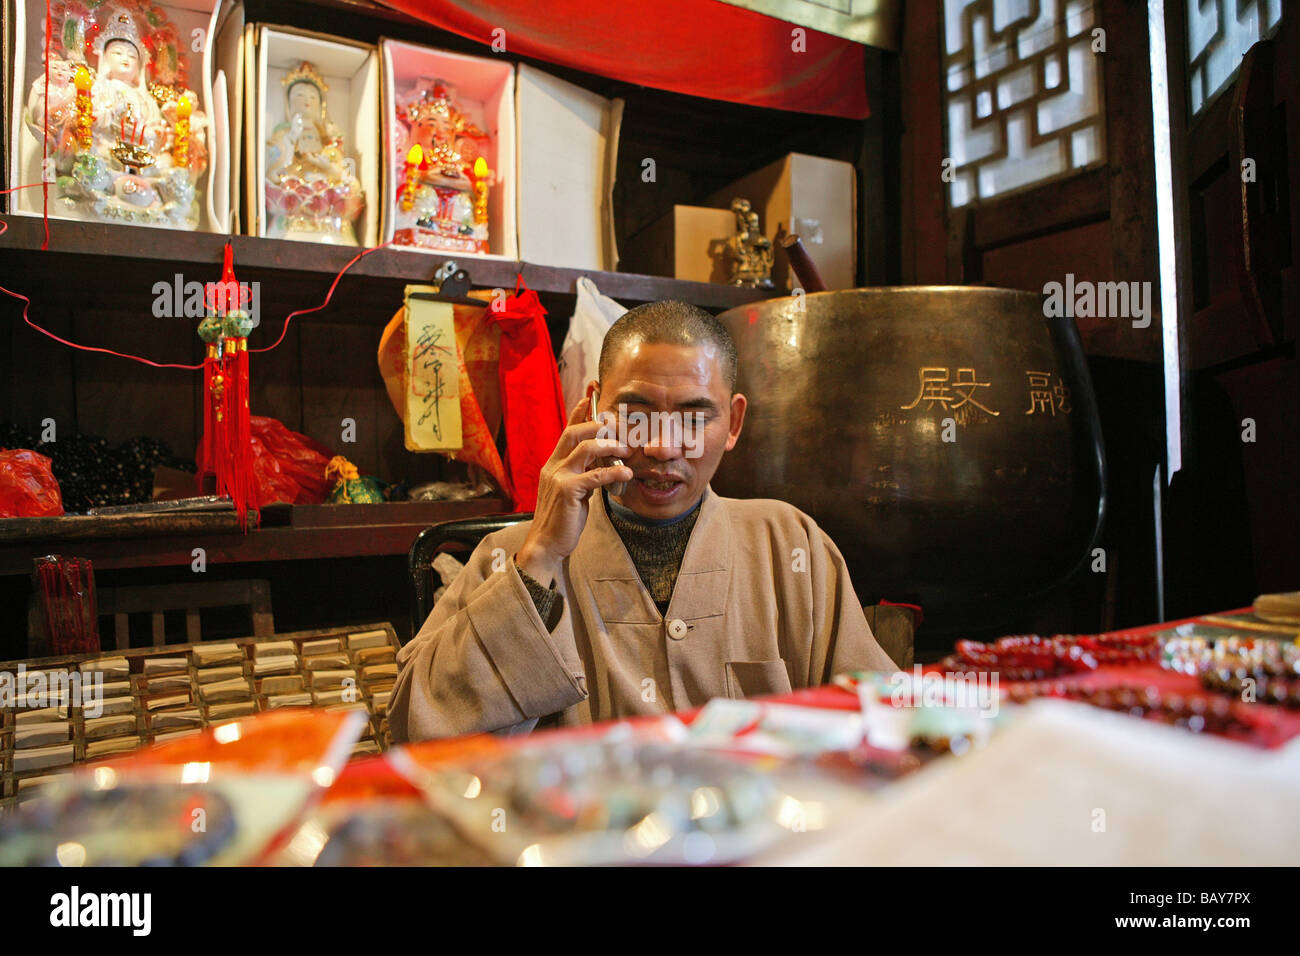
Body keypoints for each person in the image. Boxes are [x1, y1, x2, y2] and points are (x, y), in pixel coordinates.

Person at [389, 300, 896, 741]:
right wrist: (539, 560)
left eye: (695, 418)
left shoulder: (789, 545)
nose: (662, 447)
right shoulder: (509, 554)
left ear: (734, 422)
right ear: (591, 407)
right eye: (636, 414)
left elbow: (883, 721)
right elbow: (416, 730)